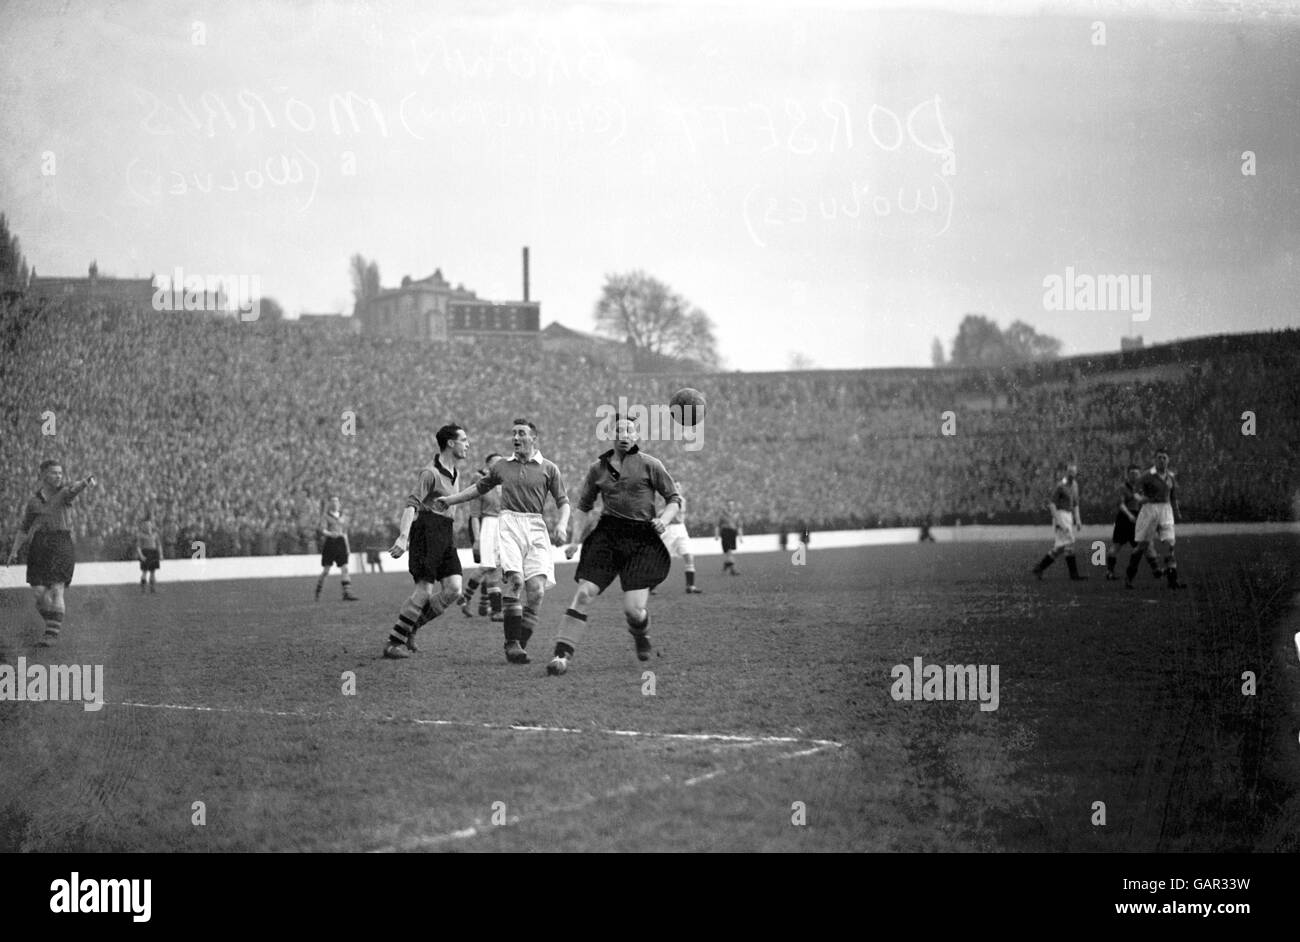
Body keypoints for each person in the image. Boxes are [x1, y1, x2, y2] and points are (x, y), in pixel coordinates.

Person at [545, 416, 681, 675]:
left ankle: (641, 633)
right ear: (612, 434)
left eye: (629, 430)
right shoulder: (598, 468)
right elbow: (584, 506)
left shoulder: (651, 465)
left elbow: (673, 498)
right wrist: (575, 540)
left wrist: (664, 519)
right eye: (619, 430)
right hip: (607, 535)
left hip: (642, 539)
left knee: (634, 611)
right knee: (585, 593)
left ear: (636, 435)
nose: (624, 434)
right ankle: (561, 656)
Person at [435, 419, 569, 664]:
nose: (516, 437)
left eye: (521, 433)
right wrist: (451, 500)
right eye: (513, 433)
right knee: (516, 581)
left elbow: (564, 502)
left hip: (536, 526)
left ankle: (520, 641)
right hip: (508, 524)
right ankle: (512, 643)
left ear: (533, 438)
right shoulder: (502, 467)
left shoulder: (550, 468)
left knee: (537, 592)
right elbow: (477, 489)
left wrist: (561, 524)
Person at [380, 424, 470, 659]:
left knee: (453, 589)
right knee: (423, 591)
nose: (468, 444)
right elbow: (412, 505)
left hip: (445, 535)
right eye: (464, 440)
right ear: (451, 443)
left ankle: (412, 628)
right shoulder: (429, 473)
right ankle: (393, 643)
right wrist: (403, 537)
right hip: (427, 533)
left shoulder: (456, 473)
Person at [6, 460, 97, 647]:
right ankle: (53, 623)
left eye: (60, 473)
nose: (59, 476)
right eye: (54, 473)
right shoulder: (33, 502)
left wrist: (86, 482)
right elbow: (24, 529)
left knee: (57, 589)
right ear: (42, 475)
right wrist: (14, 551)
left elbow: (75, 489)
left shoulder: (64, 493)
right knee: (39, 594)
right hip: (40, 544)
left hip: (61, 543)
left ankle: (51, 634)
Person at [1125, 447, 1186, 590]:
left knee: (1169, 544)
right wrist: (1140, 499)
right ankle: (1129, 577)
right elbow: (1135, 492)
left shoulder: (1170, 477)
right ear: (1154, 460)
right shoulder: (1147, 475)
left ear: (1168, 460)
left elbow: (1173, 496)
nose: (1162, 460)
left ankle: (1172, 580)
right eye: (1159, 457)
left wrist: (1177, 512)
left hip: (1166, 510)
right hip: (1150, 510)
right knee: (1142, 546)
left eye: (1164, 457)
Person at [460, 453, 505, 621]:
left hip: (500, 526)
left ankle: (471, 600)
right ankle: (494, 609)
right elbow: (474, 514)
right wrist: (477, 540)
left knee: (490, 568)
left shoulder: (502, 483)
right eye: (497, 463)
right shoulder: (480, 482)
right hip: (486, 525)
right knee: (490, 567)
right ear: (488, 466)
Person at [1031, 461, 1087, 581]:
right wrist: (1059, 522)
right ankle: (1074, 575)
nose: (1072, 474)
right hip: (1061, 515)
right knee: (1069, 543)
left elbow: (1076, 503)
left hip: (1069, 516)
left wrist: (1078, 519)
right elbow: (1052, 504)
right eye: (1070, 471)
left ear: (1076, 472)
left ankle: (1039, 568)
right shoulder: (1061, 486)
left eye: (1074, 471)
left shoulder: (1075, 485)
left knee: (1060, 548)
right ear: (1066, 472)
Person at [1105, 465, 1161, 581]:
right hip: (1125, 519)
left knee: (1146, 544)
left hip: (1138, 518)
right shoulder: (1123, 487)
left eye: (1136, 473)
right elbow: (1121, 504)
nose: (1134, 476)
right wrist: (1129, 515)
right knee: (1116, 546)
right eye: (1132, 473)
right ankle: (1109, 572)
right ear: (1127, 475)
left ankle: (1156, 570)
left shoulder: (1142, 488)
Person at [655, 480, 701, 594]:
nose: (677, 488)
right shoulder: (667, 499)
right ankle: (650, 585)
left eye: (679, 487)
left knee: (689, 555)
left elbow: (672, 512)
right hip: (669, 530)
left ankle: (690, 586)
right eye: (675, 486)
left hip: (681, 528)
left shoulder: (680, 500)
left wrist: (664, 512)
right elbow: (660, 513)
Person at [316, 496, 359, 602]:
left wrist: (348, 547)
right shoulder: (326, 516)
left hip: (341, 543)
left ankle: (347, 593)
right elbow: (322, 530)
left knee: (345, 568)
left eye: (337, 501)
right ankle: (319, 588)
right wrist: (330, 534)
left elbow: (345, 533)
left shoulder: (343, 517)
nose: (335, 503)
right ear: (330, 504)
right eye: (333, 501)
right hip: (330, 543)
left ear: (339, 504)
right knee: (326, 570)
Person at [135, 512, 163, 594]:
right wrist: (141, 556)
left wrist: (160, 554)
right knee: (144, 571)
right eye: (145, 525)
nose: (147, 527)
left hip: (154, 552)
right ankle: (143, 589)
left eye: (149, 525)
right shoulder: (140, 535)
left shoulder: (155, 534)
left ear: (151, 525)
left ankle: (152, 588)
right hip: (146, 552)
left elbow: (159, 545)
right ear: (143, 526)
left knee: (153, 571)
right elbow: (138, 547)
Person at [716, 499, 743, 575]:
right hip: (725, 532)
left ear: (734, 506)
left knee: (729, 551)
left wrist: (740, 536)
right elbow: (717, 525)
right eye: (729, 505)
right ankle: (733, 570)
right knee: (729, 551)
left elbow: (739, 526)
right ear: (726, 506)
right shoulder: (722, 514)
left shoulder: (737, 514)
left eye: (732, 505)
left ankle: (727, 564)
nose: (730, 506)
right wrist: (717, 535)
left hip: (733, 533)